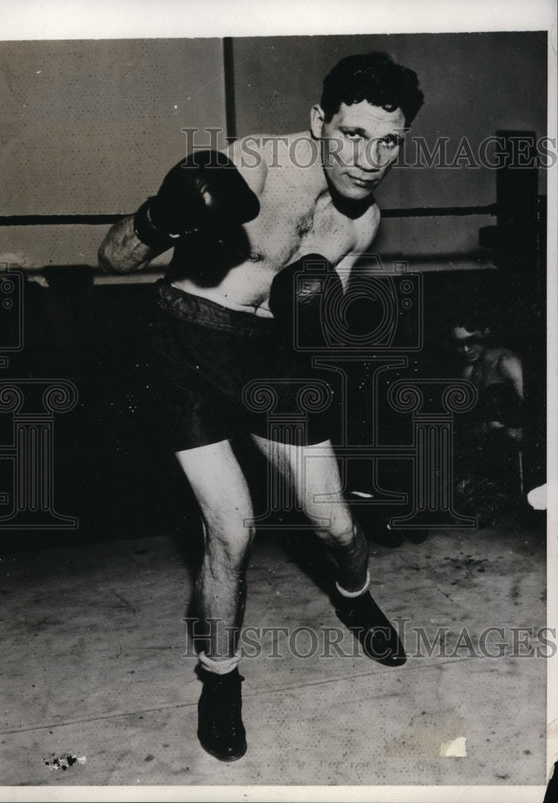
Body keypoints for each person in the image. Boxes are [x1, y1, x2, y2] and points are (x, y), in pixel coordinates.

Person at [98, 52, 424, 761]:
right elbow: (114, 257)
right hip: (183, 345)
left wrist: (329, 319)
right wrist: (158, 216)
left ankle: (355, 592)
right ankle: (219, 676)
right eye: (353, 134)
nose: (369, 160)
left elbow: (319, 321)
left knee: (335, 522)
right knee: (234, 529)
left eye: (389, 140)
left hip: (269, 361)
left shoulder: (363, 224)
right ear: (319, 122)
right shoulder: (256, 164)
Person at [449, 314, 525, 521]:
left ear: (487, 333)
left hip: (513, 455)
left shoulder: (507, 362)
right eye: (459, 344)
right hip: (480, 455)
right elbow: (461, 420)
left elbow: (534, 412)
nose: (465, 350)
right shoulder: (468, 370)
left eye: (471, 341)